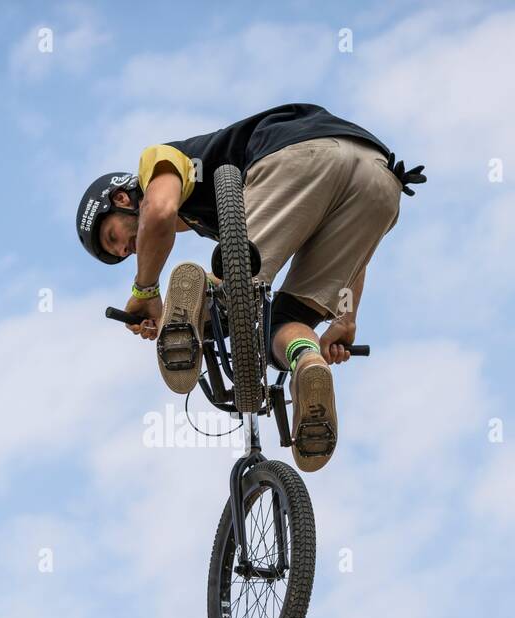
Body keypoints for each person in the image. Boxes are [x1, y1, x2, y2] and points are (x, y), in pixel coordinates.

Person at [75, 103, 424, 471]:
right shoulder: (209, 216)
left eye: (114, 237)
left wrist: (145, 291)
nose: (125, 249)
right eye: (118, 253)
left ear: (122, 199)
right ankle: (307, 361)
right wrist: (345, 318)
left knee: (233, 287)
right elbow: (356, 256)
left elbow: (159, 212)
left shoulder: (159, 164)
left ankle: (199, 298)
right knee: (284, 320)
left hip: (297, 155)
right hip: (379, 179)